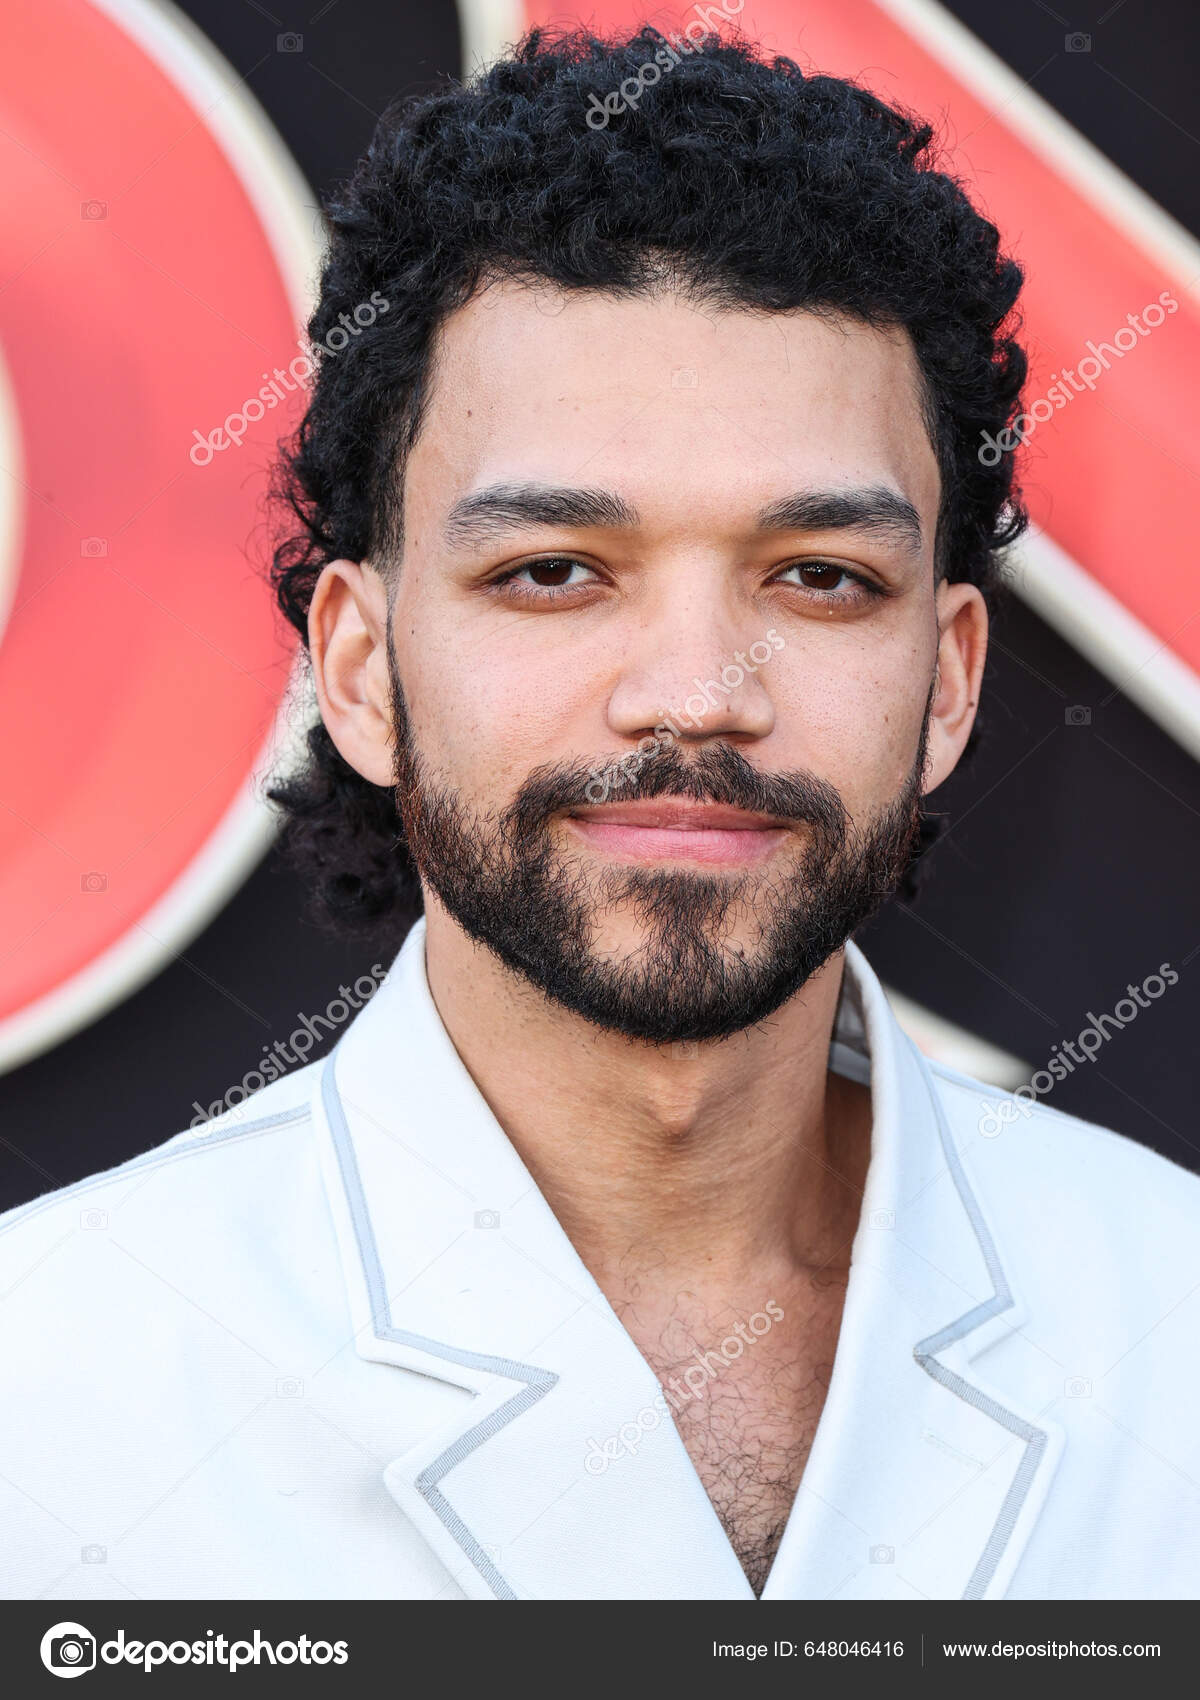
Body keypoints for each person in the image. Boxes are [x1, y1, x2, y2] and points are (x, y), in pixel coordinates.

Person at [3, 26, 1197, 1602]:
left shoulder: (1171, 1324)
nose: (696, 693)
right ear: (359, 672)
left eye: (820, 578)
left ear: (950, 682)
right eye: (554, 572)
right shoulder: (47, 1394)